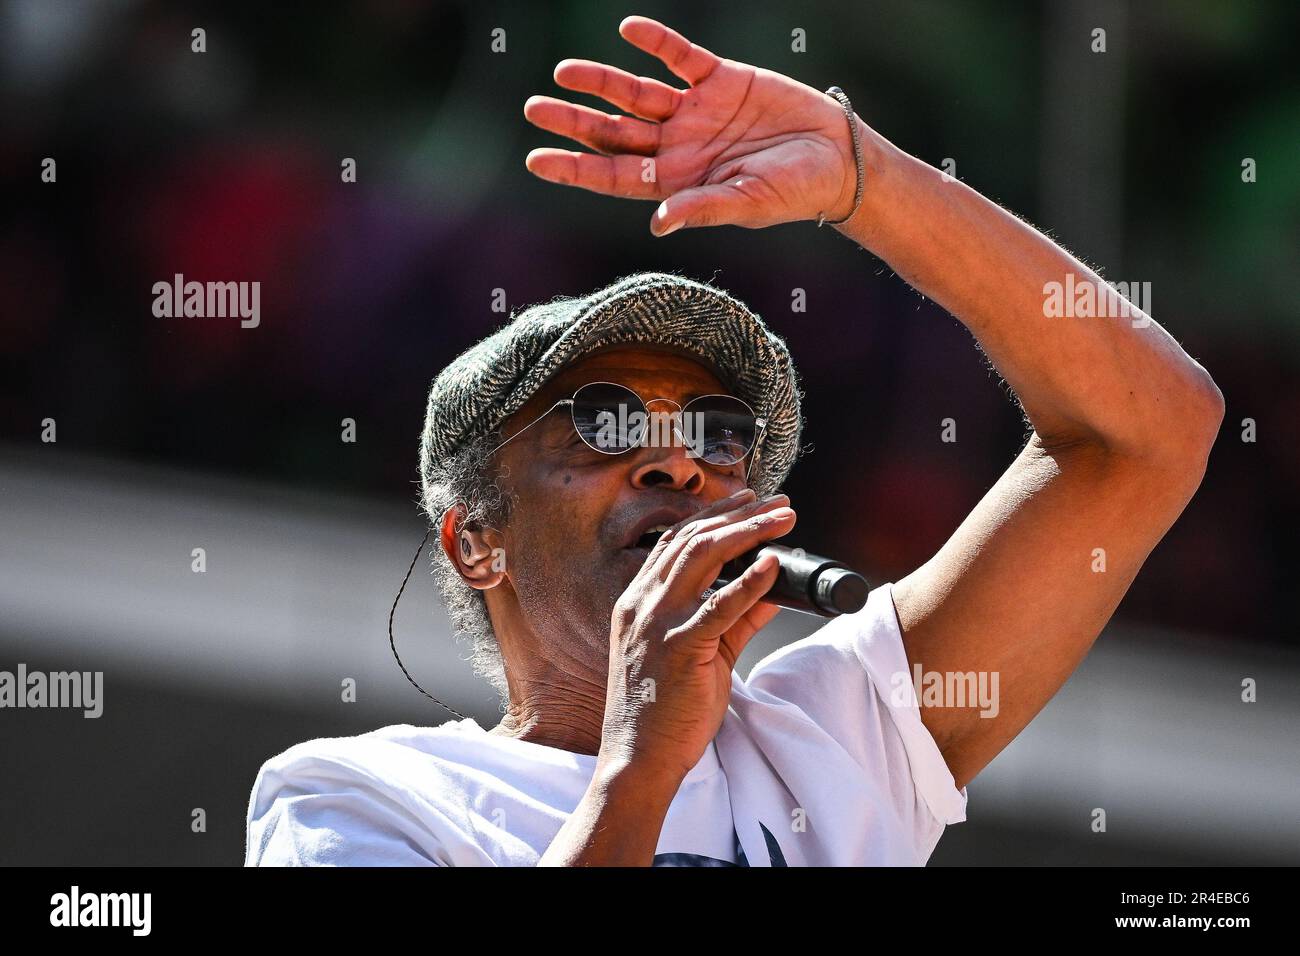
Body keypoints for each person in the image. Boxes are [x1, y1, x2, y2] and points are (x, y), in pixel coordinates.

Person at [244, 16, 1222, 866]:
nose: (676, 460)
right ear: (474, 539)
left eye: (720, 434)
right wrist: (641, 762)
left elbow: (1145, 433)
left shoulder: (834, 733)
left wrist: (865, 181)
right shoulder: (358, 793)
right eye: (606, 421)